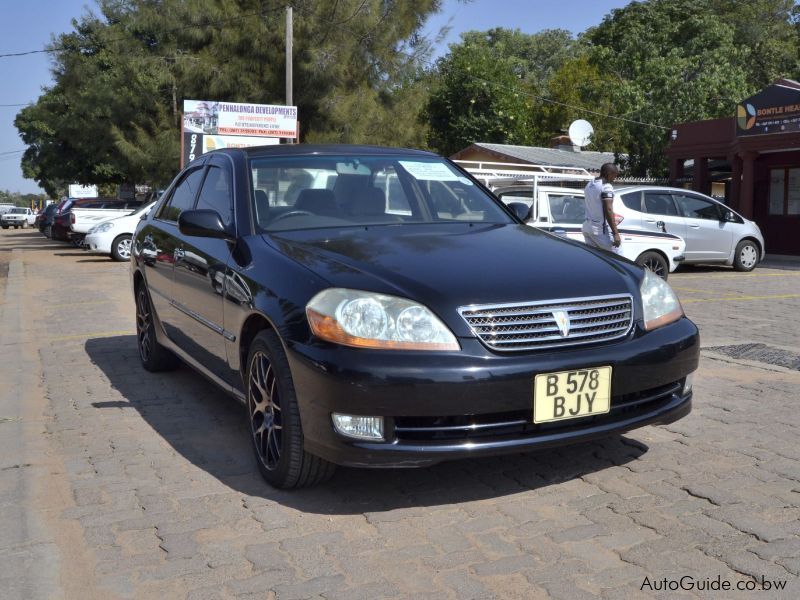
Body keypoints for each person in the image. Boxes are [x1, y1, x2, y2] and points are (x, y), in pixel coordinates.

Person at [582, 163, 621, 252]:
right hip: (599, 230)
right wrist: (615, 233)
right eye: (614, 175)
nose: (614, 179)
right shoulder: (606, 186)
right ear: (608, 174)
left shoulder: (589, 184)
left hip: (587, 228)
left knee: (595, 257)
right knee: (617, 256)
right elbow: (608, 209)